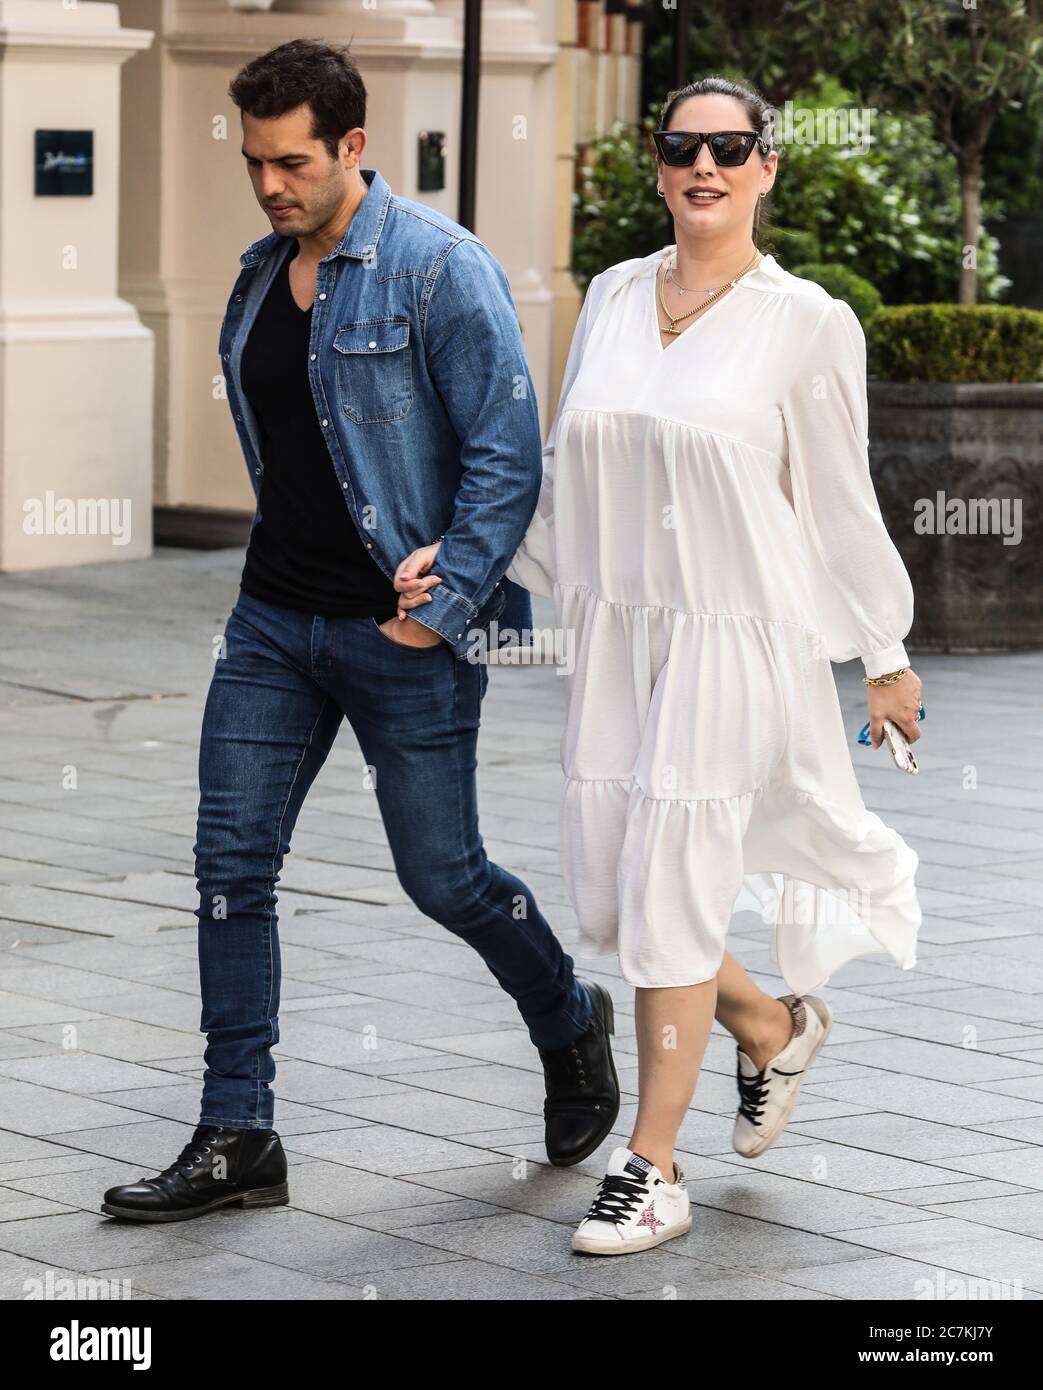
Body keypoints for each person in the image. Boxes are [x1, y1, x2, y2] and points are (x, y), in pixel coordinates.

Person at [100, 37, 619, 1224]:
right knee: (230, 867)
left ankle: (566, 1012)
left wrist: (440, 610)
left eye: (292, 162)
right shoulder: (253, 274)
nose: (271, 185)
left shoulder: (440, 270)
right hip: (272, 623)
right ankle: (238, 1129)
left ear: (353, 146)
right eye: (254, 164)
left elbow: (506, 453)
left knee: (444, 878)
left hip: (401, 633)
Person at [495, 74, 924, 1254]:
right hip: (619, 632)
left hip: (734, 634)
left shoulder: (806, 321)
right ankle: (773, 1028)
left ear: (764, 167)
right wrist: (478, 558)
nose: (705, 166)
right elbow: (561, 463)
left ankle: (653, 1167)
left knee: (672, 886)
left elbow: (838, 502)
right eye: (682, 146)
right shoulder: (616, 295)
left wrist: (882, 655)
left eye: (729, 148)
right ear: (657, 159)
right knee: (616, 894)